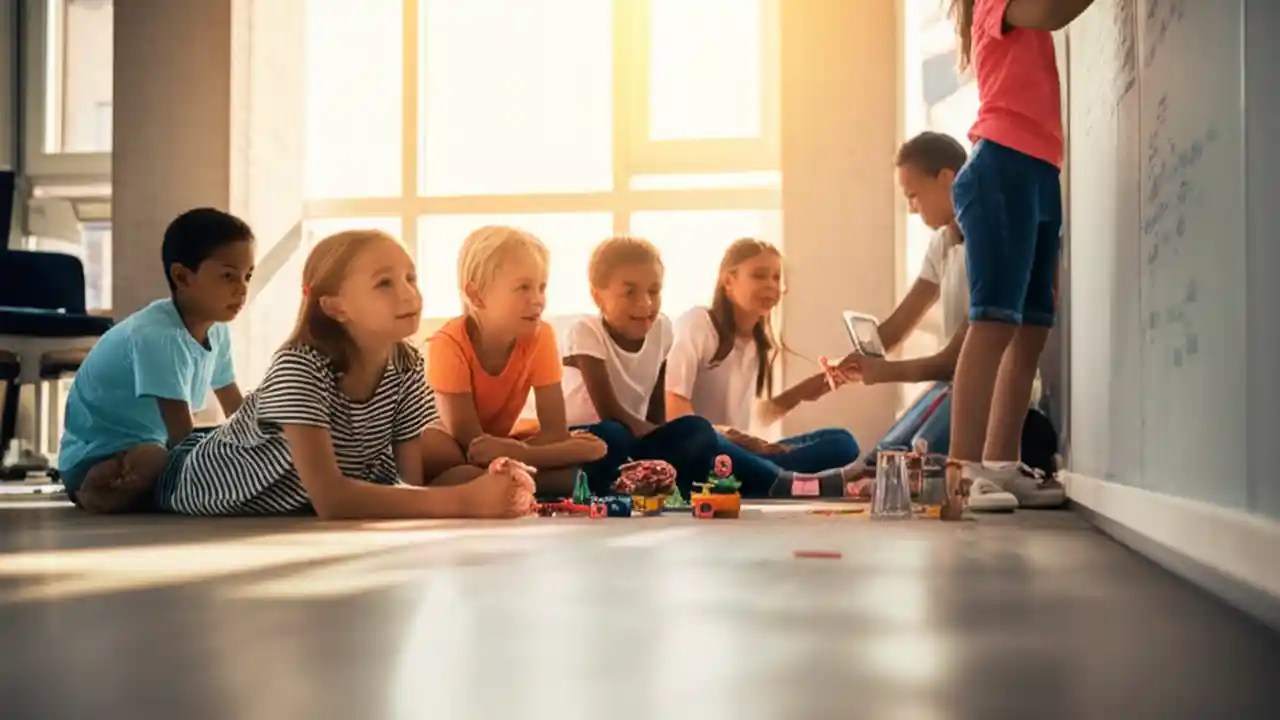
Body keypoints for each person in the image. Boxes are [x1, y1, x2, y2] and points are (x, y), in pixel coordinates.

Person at [152, 230, 536, 519]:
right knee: (139, 472)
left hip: (314, 489)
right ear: (335, 307)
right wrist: (465, 501)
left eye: (411, 278)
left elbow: (409, 486)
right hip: (191, 477)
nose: (409, 294)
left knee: (471, 472)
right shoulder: (299, 368)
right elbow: (332, 500)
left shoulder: (406, 364)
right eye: (384, 283)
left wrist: (494, 483)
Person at [934, 0, 1093, 516]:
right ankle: (963, 471)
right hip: (1001, 166)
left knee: (1032, 327)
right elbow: (1052, 11)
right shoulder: (992, 3)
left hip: (1040, 169)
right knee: (994, 322)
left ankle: (1001, 465)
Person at [59, 208, 254, 513]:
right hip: (97, 455)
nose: (242, 288)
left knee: (212, 440)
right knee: (156, 459)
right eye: (228, 275)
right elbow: (181, 435)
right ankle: (91, 492)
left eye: (247, 276)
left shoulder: (217, 332)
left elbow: (235, 409)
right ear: (182, 277)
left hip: (152, 441)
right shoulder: (158, 335)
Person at [666, 238, 860, 498]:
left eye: (776, 277)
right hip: (703, 451)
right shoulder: (698, 324)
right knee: (699, 436)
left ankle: (767, 477)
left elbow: (762, 415)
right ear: (728, 281)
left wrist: (817, 385)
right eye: (759, 275)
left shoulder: (755, 342)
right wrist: (734, 437)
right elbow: (678, 417)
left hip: (740, 455)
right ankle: (780, 480)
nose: (770, 285)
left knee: (842, 442)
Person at [427, 226, 606, 496]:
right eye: (523, 287)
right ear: (476, 296)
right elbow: (475, 448)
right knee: (444, 454)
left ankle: (504, 484)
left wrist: (519, 451)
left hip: (498, 451)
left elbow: (554, 431)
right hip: (454, 450)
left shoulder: (540, 337)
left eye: (541, 287)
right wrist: (564, 450)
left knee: (574, 479)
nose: (538, 300)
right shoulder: (447, 344)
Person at [561, 236, 719, 496]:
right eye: (629, 292)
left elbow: (656, 413)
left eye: (653, 291)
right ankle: (629, 482)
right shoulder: (585, 331)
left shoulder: (663, 329)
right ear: (598, 296)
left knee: (696, 429)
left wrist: (668, 437)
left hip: (636, 441)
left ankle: (646, 481)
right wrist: (662, 435)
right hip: (591, 439)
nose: (645, 302)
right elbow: (610, 411)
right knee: (613, 434)